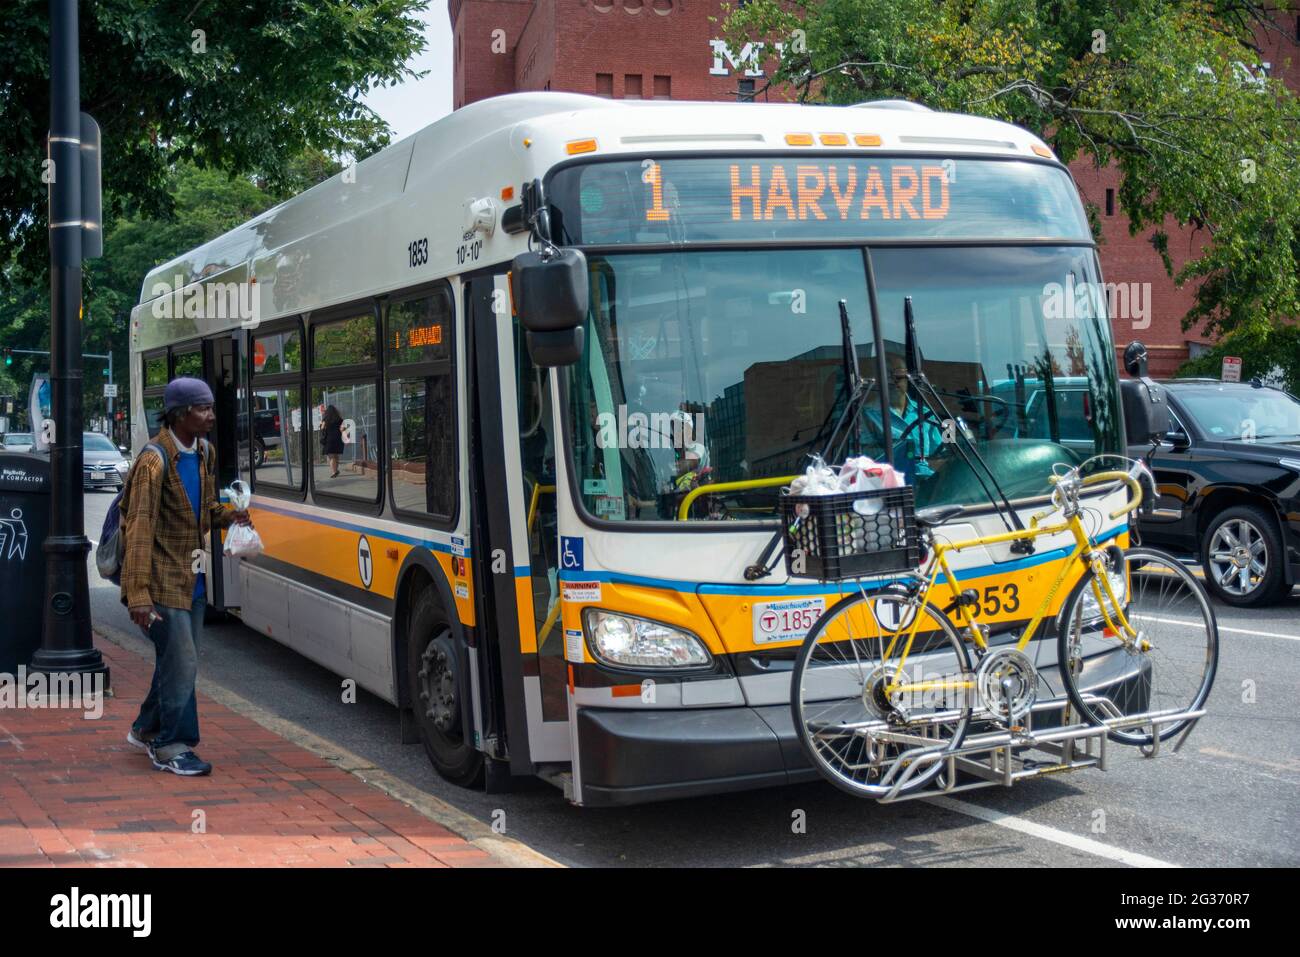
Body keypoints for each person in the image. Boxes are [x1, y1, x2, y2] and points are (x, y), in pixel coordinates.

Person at [120, 377, 252, 776]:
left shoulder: (205, 453)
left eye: (211, 407)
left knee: (178, 661)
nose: (211, 415)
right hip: (159, 580)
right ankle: (171, 745)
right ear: (180, 414)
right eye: (202, 408)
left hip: (193, 578)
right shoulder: (154, 461)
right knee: (183, 661)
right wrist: (138, 594)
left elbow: (206, 509)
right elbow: (139, 528)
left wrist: (231, 516)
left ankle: (146, 728)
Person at [861, 354, 945, 482]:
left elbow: (939, 455)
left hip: (928, 486)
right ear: (877, 380)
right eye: (887, 376)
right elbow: (865, 461)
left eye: (899, 374)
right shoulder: (866, 414)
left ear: (908, 378)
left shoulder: (926, 413)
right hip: (891, 486)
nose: (894, 380)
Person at [321, 404, 344, 477]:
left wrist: (322, 425)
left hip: (329, 439)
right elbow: (342, 429)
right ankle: (336, 470)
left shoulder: (325, 419)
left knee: (331, 457)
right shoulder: (340, 419)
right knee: (336, 455)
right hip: (338, 439)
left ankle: (334, 472)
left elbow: (322, 428)